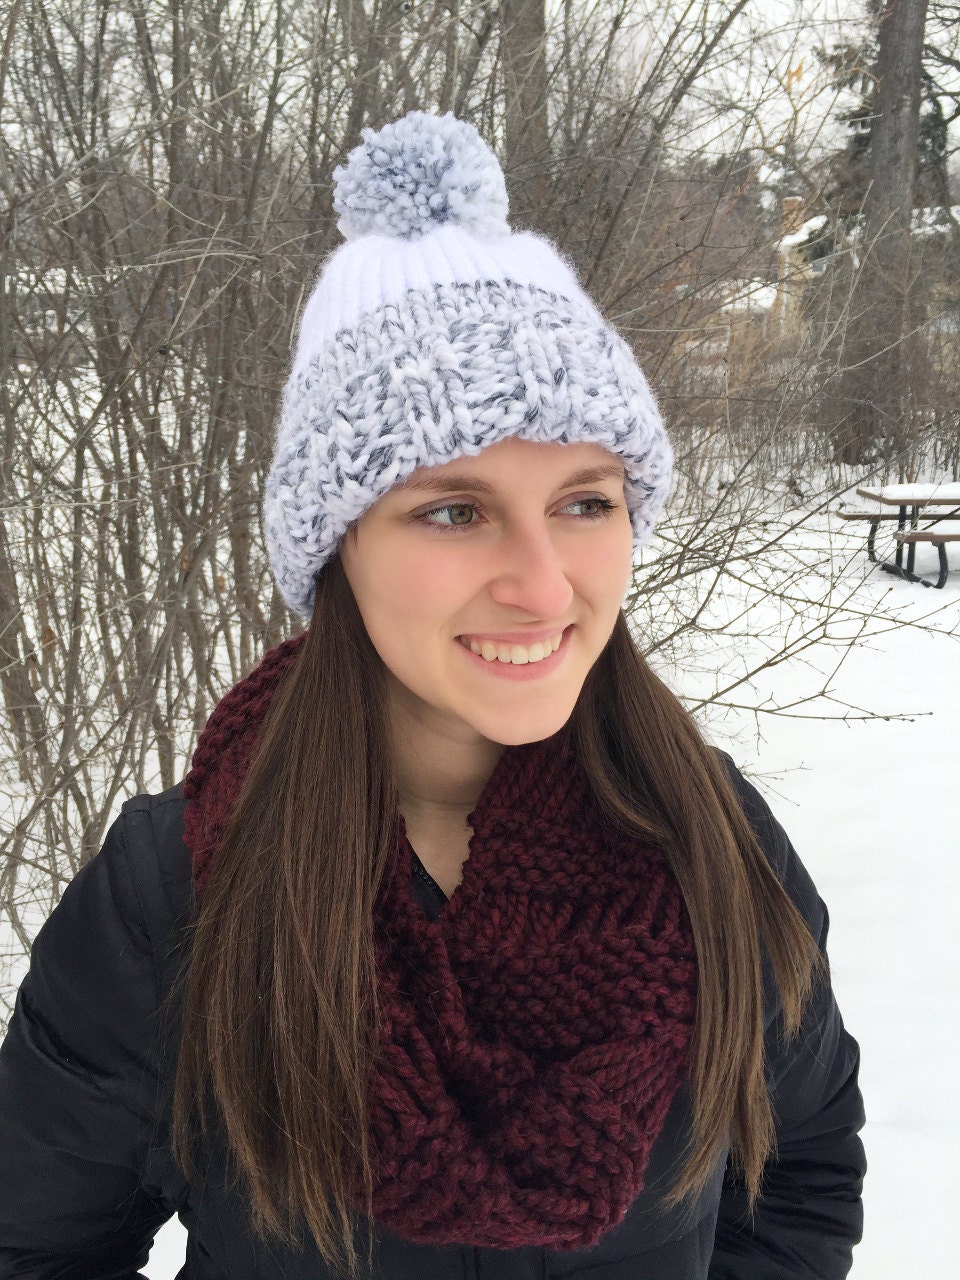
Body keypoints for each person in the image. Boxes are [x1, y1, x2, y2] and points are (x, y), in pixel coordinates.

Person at [0, 112, 865, 1280]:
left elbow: (797, 1172)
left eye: (586, 500)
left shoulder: (707, 838)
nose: (544, 583)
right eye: (454, 510)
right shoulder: (182, 892)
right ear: (335, 548)